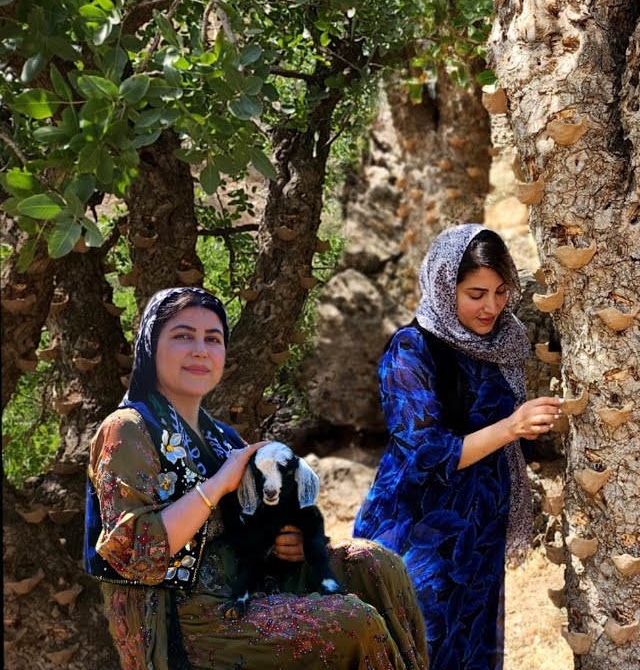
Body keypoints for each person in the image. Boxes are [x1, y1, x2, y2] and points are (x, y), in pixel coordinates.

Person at [85, 287, 429, 670]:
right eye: (183, 336)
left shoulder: (222, 437)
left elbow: (259, 522)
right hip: (188, 613)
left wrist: (288, 543)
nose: (200, 350)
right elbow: (133, 554)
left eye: (212, 339)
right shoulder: (128, 429)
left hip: (248, 578)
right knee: (353, 624)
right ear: (151, 346)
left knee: (377, 565)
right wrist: (218, 484)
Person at [353, 224, 561, 669]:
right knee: (421, 652)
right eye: (476, 294)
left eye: (501, 292)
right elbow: (427, 454)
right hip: (420, 537)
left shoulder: (500, 346)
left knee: (472, 654)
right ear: (444, 288)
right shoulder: (411, 350)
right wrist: (511, 427)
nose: (492, 307)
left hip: (478, 536)